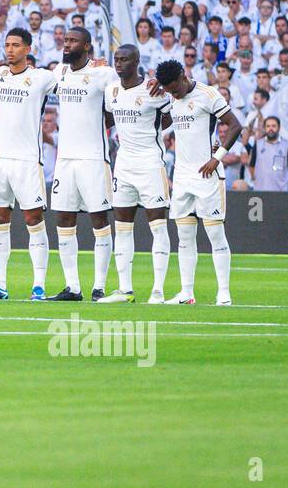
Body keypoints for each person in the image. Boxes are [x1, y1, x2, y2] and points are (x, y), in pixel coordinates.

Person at [0, 29, 53, 300]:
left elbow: (71, 82)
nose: (10, 49)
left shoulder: (41, 78)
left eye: (16, 45)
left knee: (33, 219)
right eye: (7, 45)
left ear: (27, 48)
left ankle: (38, 285)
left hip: (27, 160)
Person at [155, 59, 243, 306]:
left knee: (215, 234)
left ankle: (223, 292)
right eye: (168, 91)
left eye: (174, 89)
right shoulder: (171, 97)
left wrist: (217, 158)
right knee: (184, 236)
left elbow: (235, 125)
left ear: (183, 76)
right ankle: (186, 293)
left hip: (207, 175)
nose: (173, 94)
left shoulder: (207, 94)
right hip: (182, 177)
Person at [46, 27, 118, 302]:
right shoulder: (59, 72)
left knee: (99, 219)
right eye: (65, 41)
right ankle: (72, 287)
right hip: (65, 159)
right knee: (64, 218)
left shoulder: (103, 74)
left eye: (73, 41)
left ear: (87, 47)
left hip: (93, 159)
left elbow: (116, 109)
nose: (67, 45)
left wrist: (99, 128)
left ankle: (99, 286)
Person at [101, 44, 172, 303]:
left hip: (151, 163)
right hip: (124, 164)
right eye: (116, 60)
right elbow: (108, 119)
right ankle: (125, 289)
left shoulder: (153, 90)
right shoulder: (112, 91)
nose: (119, 64)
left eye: (125, 60)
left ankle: (158, 290)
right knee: (122, 227)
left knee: (158, 226)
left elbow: (168, 118)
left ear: (137, 61)